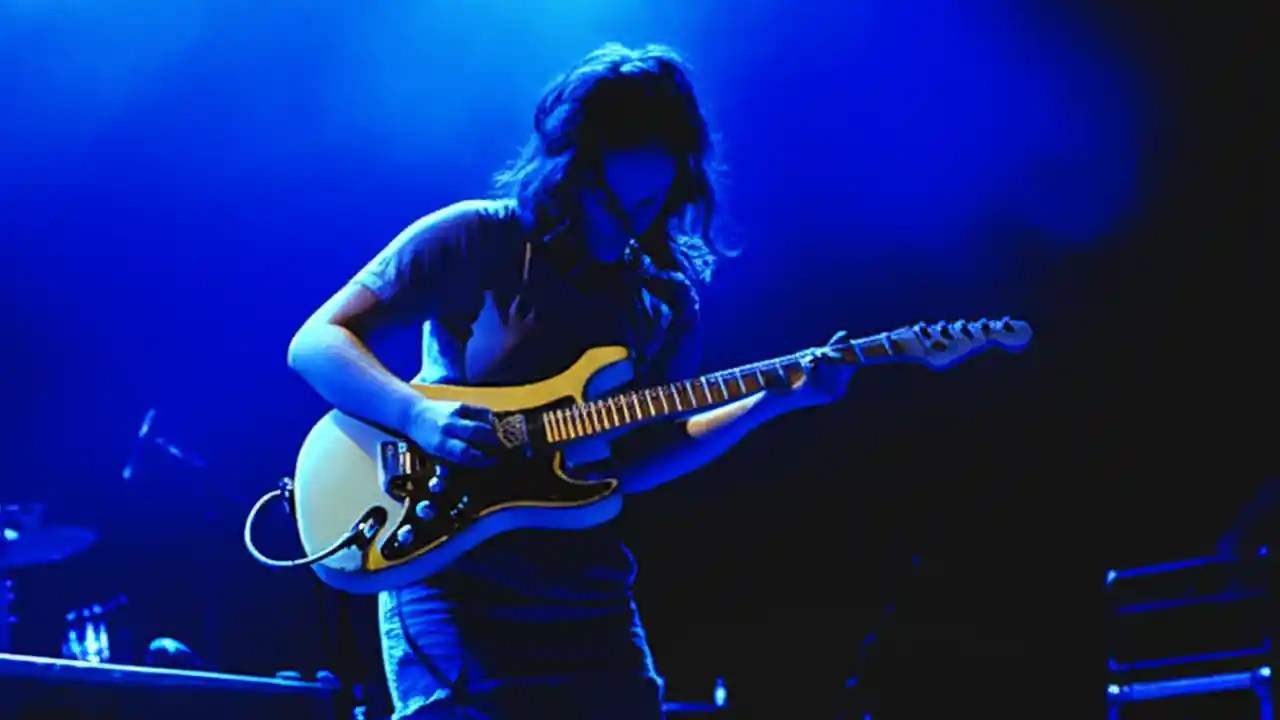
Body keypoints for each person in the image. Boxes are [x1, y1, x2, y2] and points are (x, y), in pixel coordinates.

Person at [286, 42, 854, 720]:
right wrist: (415, 414)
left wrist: (772, 403)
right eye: (614, 203)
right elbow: (317, 342)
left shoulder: (663, 302)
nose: (633, 224)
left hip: (590, 601)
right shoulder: (476, 239)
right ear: (568, 173)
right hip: (451, 580)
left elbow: (636, 458)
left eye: (652, 202)